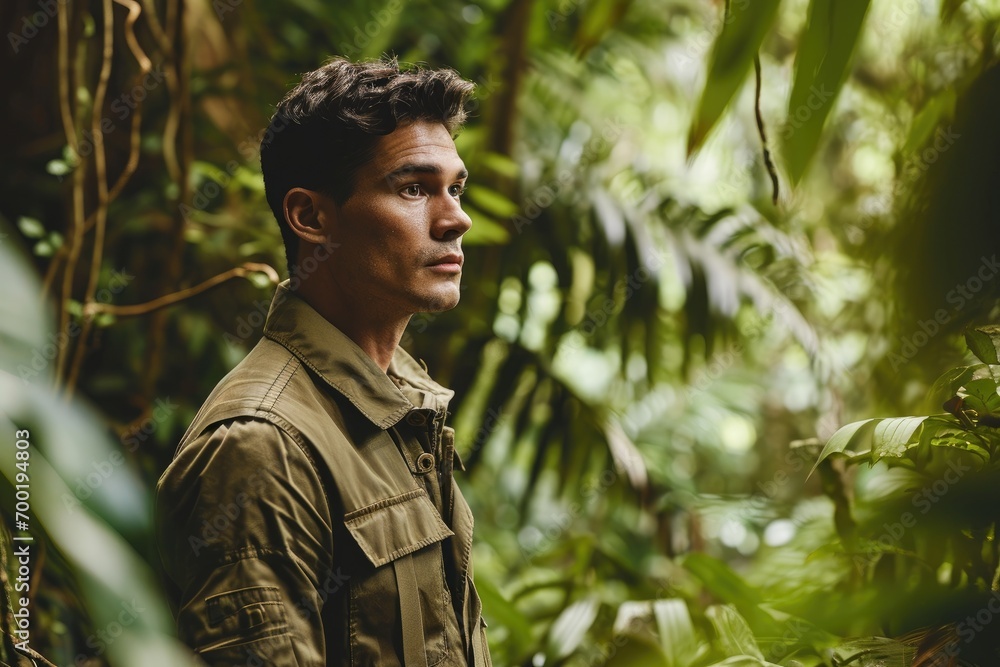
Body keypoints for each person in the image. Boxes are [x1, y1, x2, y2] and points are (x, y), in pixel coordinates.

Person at [155, 57, 492, 666]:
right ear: (311, 217)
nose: (456, 218)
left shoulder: (405, 403)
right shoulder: (263, 446)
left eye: (455, 188)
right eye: (413, 188)